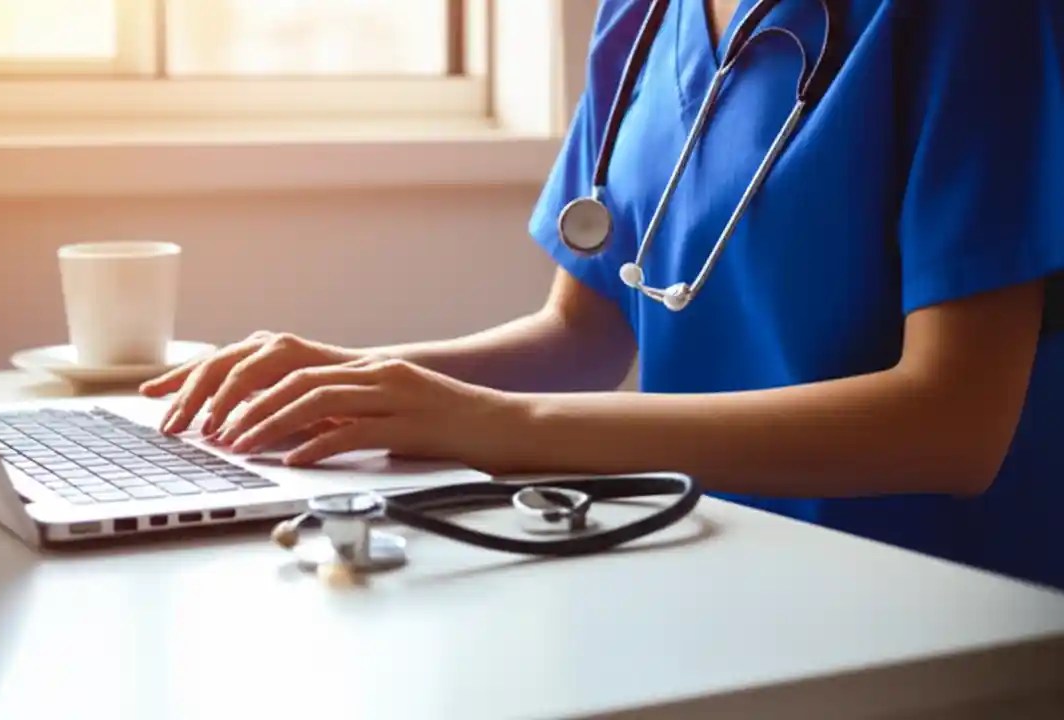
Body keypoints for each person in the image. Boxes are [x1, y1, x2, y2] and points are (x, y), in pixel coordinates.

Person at [141, 0, 1063, 590]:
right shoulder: (643, 17)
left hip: (943, 609)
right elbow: (579, 335)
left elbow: (956, 424)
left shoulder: (978, 19)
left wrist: (509, 428)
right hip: (702, 558)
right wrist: (354, 380)